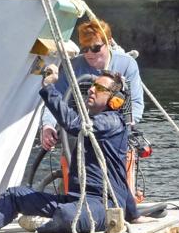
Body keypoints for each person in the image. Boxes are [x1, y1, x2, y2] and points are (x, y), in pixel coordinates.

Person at [0, 67, 141, 233]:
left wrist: (50, 88)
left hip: (102, 205)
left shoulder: (112, 122)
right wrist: (134, 215)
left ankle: (41, 225)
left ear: (115, 101)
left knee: (67, 215)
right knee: (14, 195)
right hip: (74, 200)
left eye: (100, 88)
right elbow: (121, 178)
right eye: (92, 85)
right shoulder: (94, 122)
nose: (91, 89)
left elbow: (74, 125)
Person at [40, 19, 144, 151]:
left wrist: (126, 125)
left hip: (115, 131)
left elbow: (136, 102)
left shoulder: (127, 64)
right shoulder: (72, 67)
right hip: (78, 130)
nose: (89, 53)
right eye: (85, 48)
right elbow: (57, 99)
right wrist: (47, 125)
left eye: (95, 48)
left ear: (108, 42)